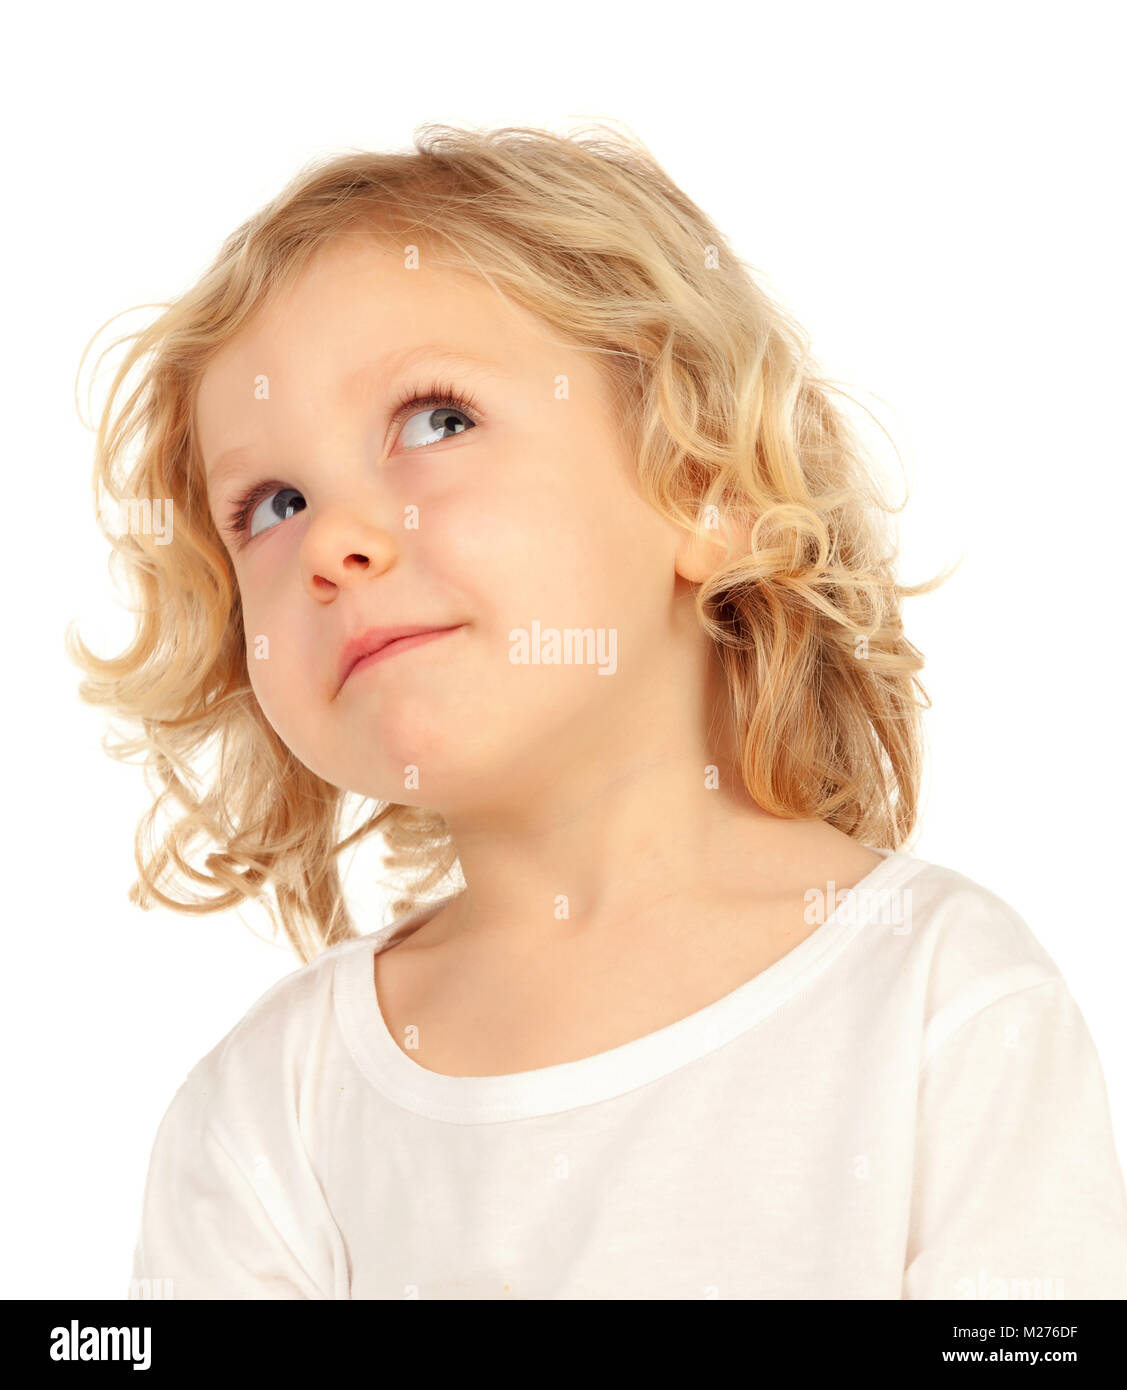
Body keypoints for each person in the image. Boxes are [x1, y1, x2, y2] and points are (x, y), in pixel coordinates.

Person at [69, 122, 1127, 1299]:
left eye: (435, 420)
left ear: (702, 491)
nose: (331, 541)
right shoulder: (272, 1111)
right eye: (269, 503)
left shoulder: (942, 998)